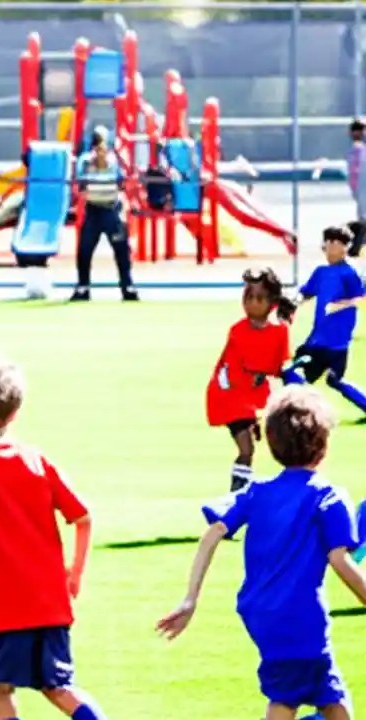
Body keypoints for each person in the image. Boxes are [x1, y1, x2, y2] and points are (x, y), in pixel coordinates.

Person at [157, 386, 366, 720]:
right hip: (302, 616)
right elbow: (340, 560)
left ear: (270, 442)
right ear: (324, 444)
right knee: (330, 700)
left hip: (259, 613)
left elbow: (212, 534)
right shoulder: (328, 496)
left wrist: (190, 599)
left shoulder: (256, 492)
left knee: (288, 693)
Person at [0, 357, 108, 720]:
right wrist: (75, 573)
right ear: (15, 414)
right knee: (58, 686)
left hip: (3, 604)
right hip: (50, 599)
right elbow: (83, 517)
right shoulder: (37, 461)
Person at [206, 268, 295, 493]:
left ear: (272, 303)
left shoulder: (280, 332)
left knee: (278, 440)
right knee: (246, 449)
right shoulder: (238, 331)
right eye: (248, 297)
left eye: (259, 298)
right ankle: (236, 495)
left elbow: (280, 364)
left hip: (256, 396)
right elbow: (235, 369)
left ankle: (254, 490)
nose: (252, 304)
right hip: (229, 395)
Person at [281, 225, 366, 420]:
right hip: (317, 339)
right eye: (327, 243)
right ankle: (294, 412)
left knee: (324, 378)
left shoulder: (349, 273)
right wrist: (294, 301)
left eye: (333, 243)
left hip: (336, 342)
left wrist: (339, 305)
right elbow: (307, 292)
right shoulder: (321, 272)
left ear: (344, 246)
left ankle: (295, 413)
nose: (328, 247)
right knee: (300, 373)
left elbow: (361, 298)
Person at [71, 127, 138, 302]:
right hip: (93, 211)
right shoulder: (85, 162)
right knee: (84, 250)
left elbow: (122, 183)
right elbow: (81, 184)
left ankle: (128, 287)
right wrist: (93, 164)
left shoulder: (115, 161)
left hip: (111, 211)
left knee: (122, 250)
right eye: (98, 146)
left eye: (104, 146)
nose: (101, 151)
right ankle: (83, 287)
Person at [346, 119, 366, 253]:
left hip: (360, 186)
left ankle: (358, 243)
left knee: (362, 215)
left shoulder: (357, 150)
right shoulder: (358, 150)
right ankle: (359, 241)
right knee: (362, 215)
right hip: (360, 186)